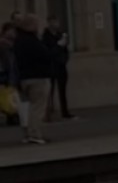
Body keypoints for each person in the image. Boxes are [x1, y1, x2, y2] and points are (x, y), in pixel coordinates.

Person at [12, 14, 53, 144]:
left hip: (24, 78)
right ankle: (35, 133)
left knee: (28, 108)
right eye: (36, 24)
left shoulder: (18, 40)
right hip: (38, 77)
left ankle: (29, 133)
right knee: (37, 107)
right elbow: (45, 55)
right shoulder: (32, 40)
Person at [41, 16, 73, 120]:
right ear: (49, 23)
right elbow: (47, 52)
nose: (55, 24)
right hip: (51, 66)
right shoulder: (46, 37)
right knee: (49, 91)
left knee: (62, 89)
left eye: (56, 22)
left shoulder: (60, 35)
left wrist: (64, 59)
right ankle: (48, 113)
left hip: (61, 65)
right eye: (53, 22)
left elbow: (65, 50)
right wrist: (58, 46)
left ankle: (65, 111)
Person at [0, 23, 18, 126]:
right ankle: (11, 115)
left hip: (11, 73)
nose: (13, 33)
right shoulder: (3, 44)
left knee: (9, 96)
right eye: (11, 30)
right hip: (6, 74)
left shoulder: (13, 44)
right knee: (6, 96)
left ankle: (11, 115)